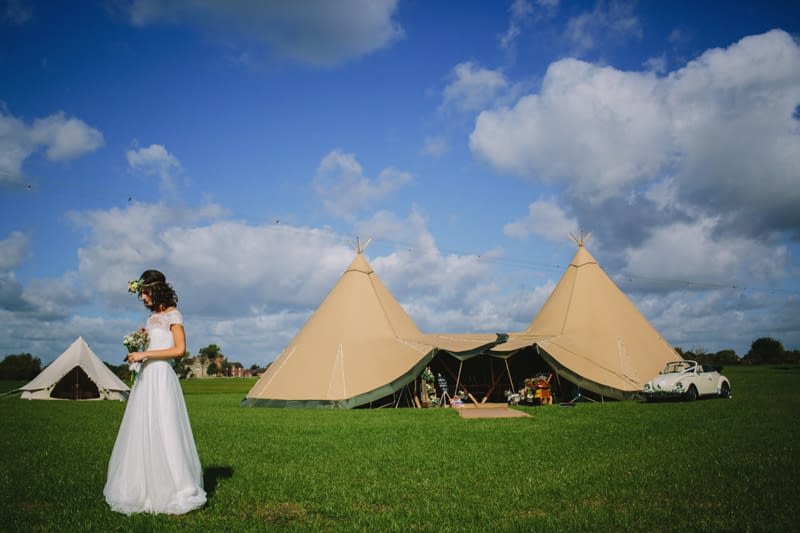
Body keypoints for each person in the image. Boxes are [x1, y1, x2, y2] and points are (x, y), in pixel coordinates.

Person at [104, 269, 206, 515]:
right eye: (140, 293)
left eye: (144, 292)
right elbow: (153, 347)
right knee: (144, 427)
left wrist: (146, 353)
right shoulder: (151, 320)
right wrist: (138, 351)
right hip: (146, 377)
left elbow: (179, 350)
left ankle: (176, 487)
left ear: (156, 289)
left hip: (162, 376)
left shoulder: (174, 315)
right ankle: (143, 487)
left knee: (166, 426)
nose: (142, 298)